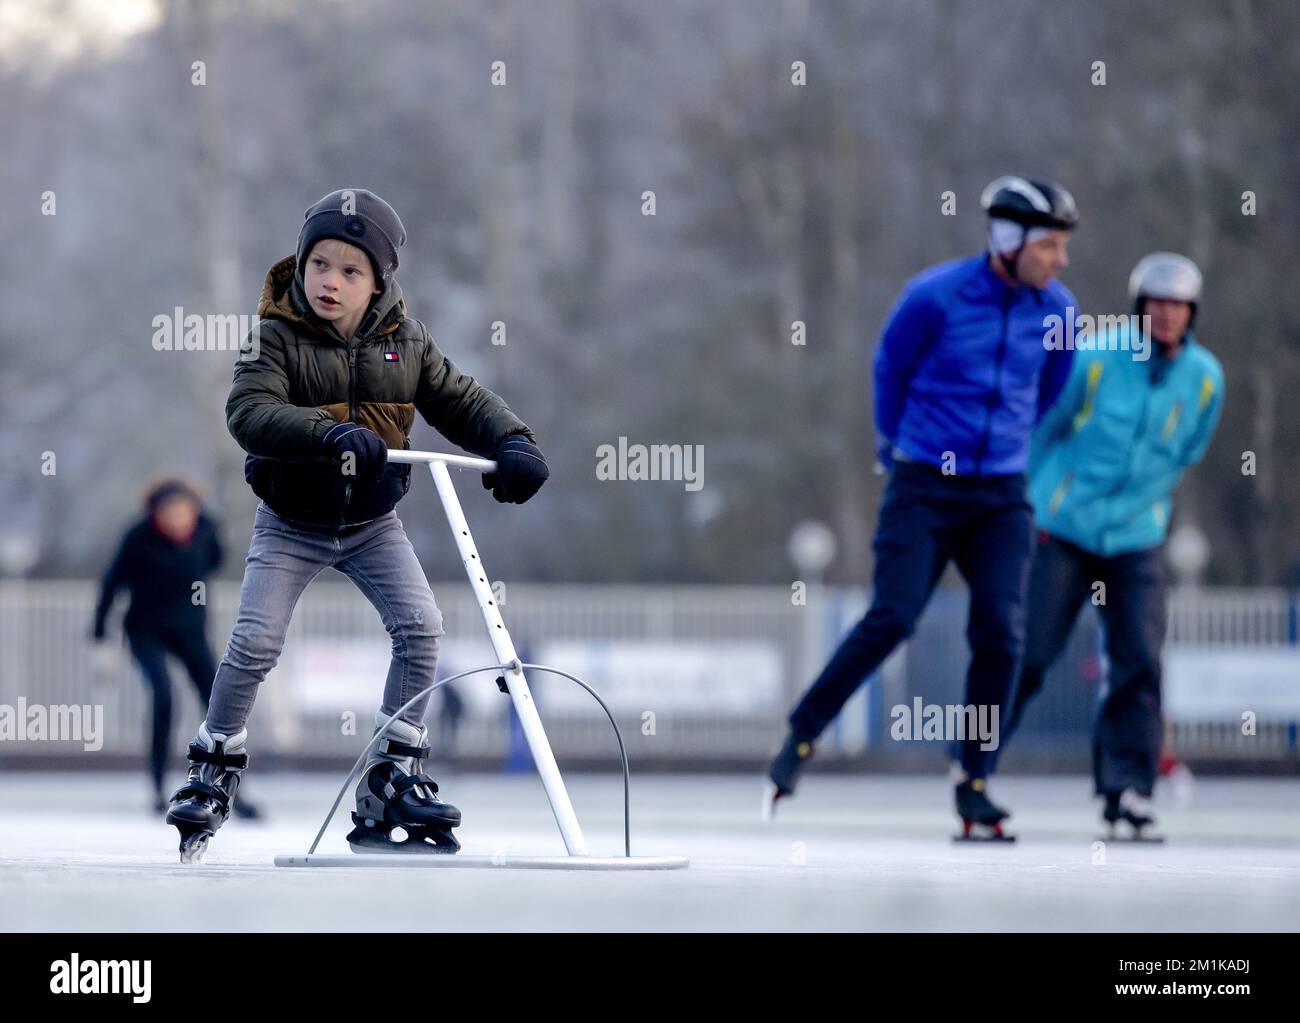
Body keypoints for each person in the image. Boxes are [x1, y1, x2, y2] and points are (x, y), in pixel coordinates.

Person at [166, 188, 548, 861]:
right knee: (255, 639)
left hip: (373, 522)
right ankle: (214, 760)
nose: (330, 282)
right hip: (291, 521)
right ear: (302, 265)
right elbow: (248, 412)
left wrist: (512, 441)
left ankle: (390, 774)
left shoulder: (406, 341)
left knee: (421, 628)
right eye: (320, 265)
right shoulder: (276, 335)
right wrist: (326, 432)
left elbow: (459, 399)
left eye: (350, 271)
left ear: (377, 283)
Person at [765, 177, 1079, 839]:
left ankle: (974, 778)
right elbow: (890, 367)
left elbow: (1051, 389)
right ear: (1008, 238)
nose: (1060, 259)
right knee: (893, 616)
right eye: (1049, 245)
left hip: (1000, 494)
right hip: (923, 484)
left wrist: (1011, 445)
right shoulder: (935, 296)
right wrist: (892, 445)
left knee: (1001, 631)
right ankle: (801, 733)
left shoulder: (1060, 312)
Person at [1003, 252, 1223, 839]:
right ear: (1139, 307)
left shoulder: (1205, 379)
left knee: (1140, 662)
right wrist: (1026, 498)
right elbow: (1046, 426)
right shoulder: (1096, 356)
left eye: (1178, 305)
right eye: (1156, 303)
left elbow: (1189, 449)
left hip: (1136, 538)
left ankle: (1128, 789)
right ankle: (973, 763)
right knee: (1028, 654)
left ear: (1192, 313)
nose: (1166, 315)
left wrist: (1144, 505)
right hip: (1064, 529)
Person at [93, 480, 262, 817]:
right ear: (156, 513)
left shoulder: (206, 530)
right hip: (145, 630)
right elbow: (112, 583)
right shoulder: (138, 536)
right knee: (164, 696)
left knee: (220, 702)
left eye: (184, 512)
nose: (178, 519)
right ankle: (157, 789)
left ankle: (230, 789)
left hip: (190, 632)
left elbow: (215, 561)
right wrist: (99, 637)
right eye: (170, 513)